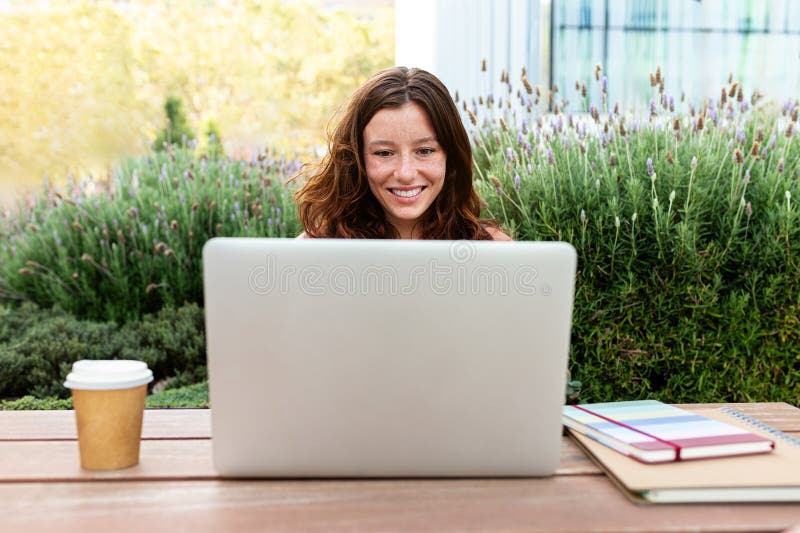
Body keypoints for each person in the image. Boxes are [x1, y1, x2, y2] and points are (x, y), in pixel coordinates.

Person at [293, 66, 511, 241]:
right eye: (384, 153)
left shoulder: (495, 251)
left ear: (450, 156)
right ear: (357, 158)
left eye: (425, 151)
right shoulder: (314, 251)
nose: (405, 173)